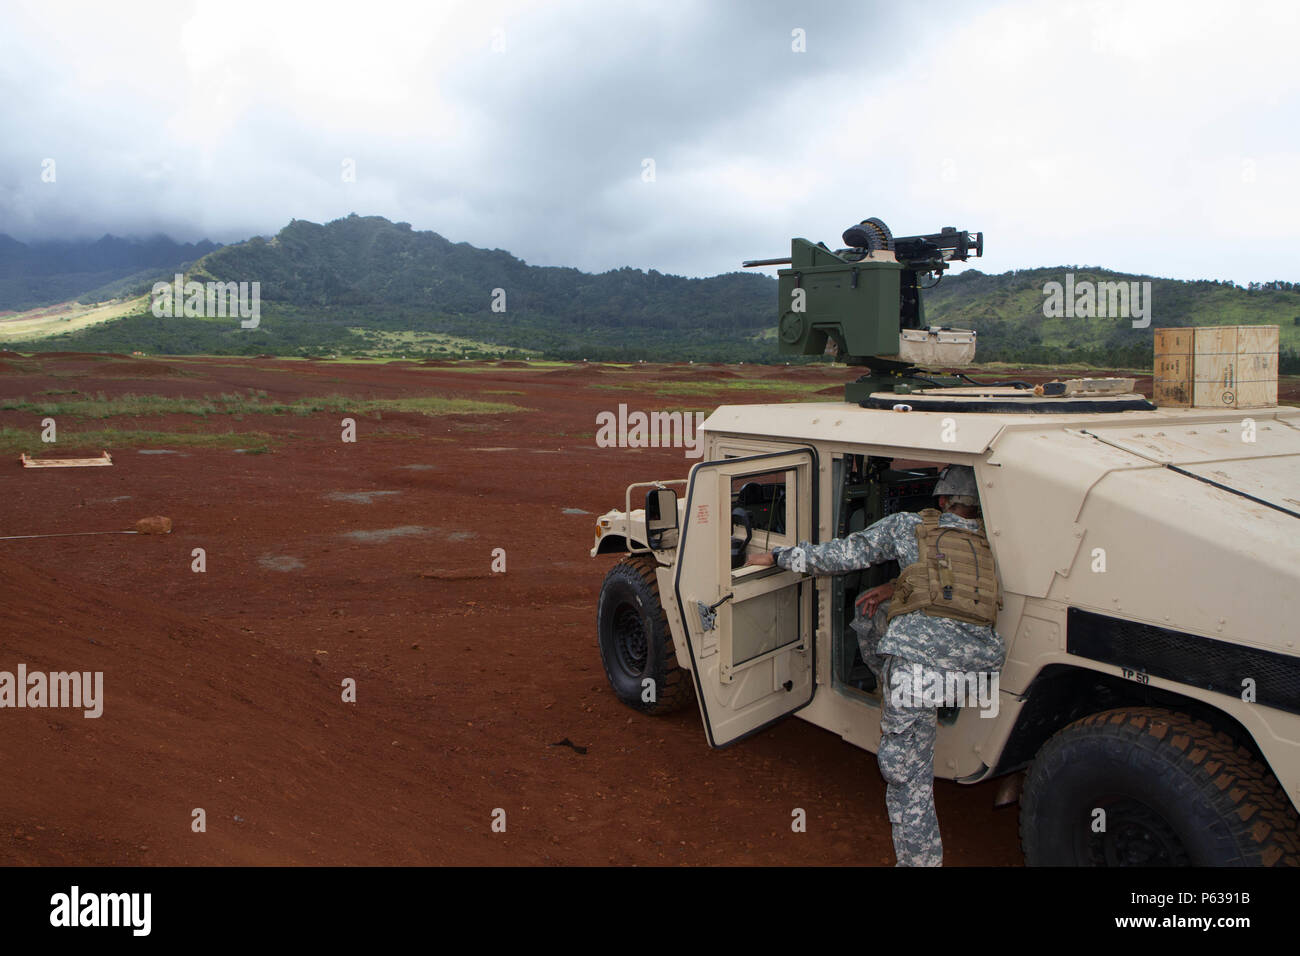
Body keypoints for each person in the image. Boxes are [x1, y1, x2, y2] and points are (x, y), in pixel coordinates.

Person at [745, 464, 1004, 866]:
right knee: (878, 611)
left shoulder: (907, 525)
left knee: (906, 774)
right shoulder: (993, 540)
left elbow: (839, 557)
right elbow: (948, 588)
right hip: (978, 670)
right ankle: (904, 700)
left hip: (918, 667)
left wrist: (780, 556)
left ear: (941, 500)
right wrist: (893, 588)